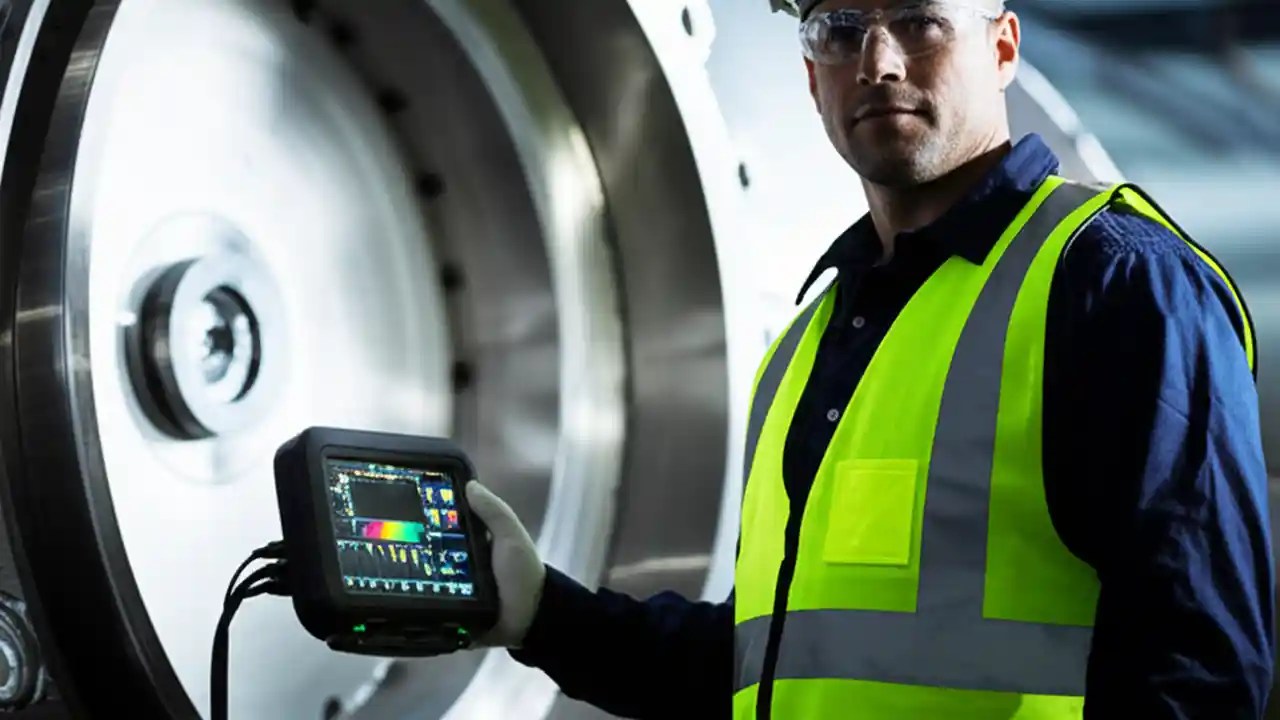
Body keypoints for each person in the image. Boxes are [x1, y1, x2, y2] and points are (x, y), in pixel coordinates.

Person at [462, 0, 1275, 717]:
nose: (878, 62)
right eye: (841, 31)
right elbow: (769, 668)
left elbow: (1199, 670)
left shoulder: (1117, 284)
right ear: (812, 77)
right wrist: (542, 614)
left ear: (1001, 48)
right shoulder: (807, 342)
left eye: (919, 21)